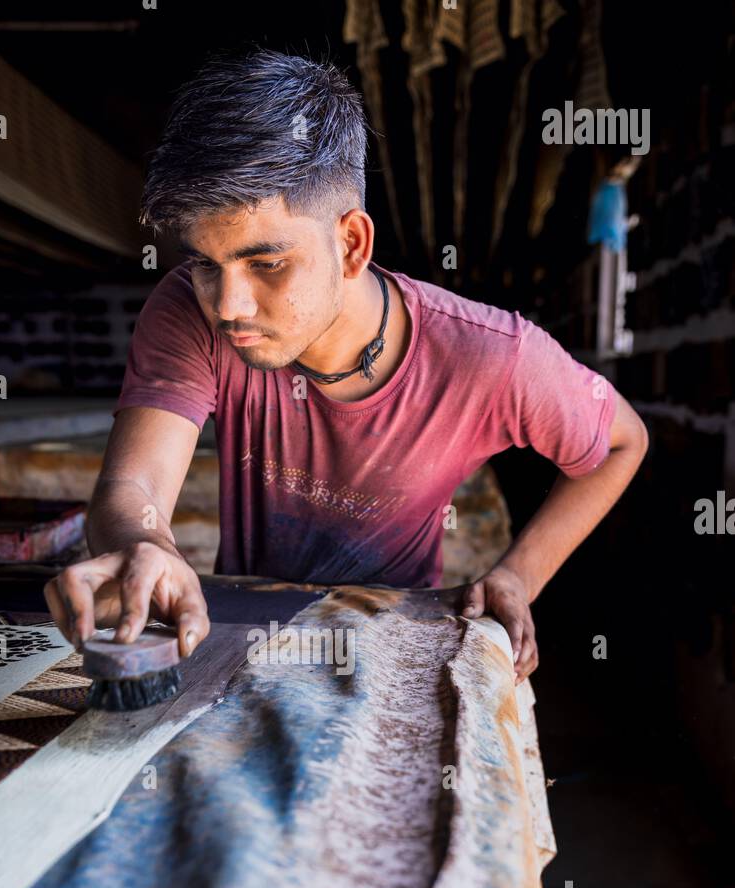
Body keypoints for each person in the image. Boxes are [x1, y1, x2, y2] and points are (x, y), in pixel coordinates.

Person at [45, 47, 648, 685]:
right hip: (243, 646)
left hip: (395, 650)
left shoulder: (491, 354)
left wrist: (520, 573)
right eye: (203, 263)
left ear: (352, 243)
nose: (228, 304)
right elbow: (134, 488)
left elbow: (621, 442)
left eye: (267, 263)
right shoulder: (187, 312)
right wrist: (144, 547)